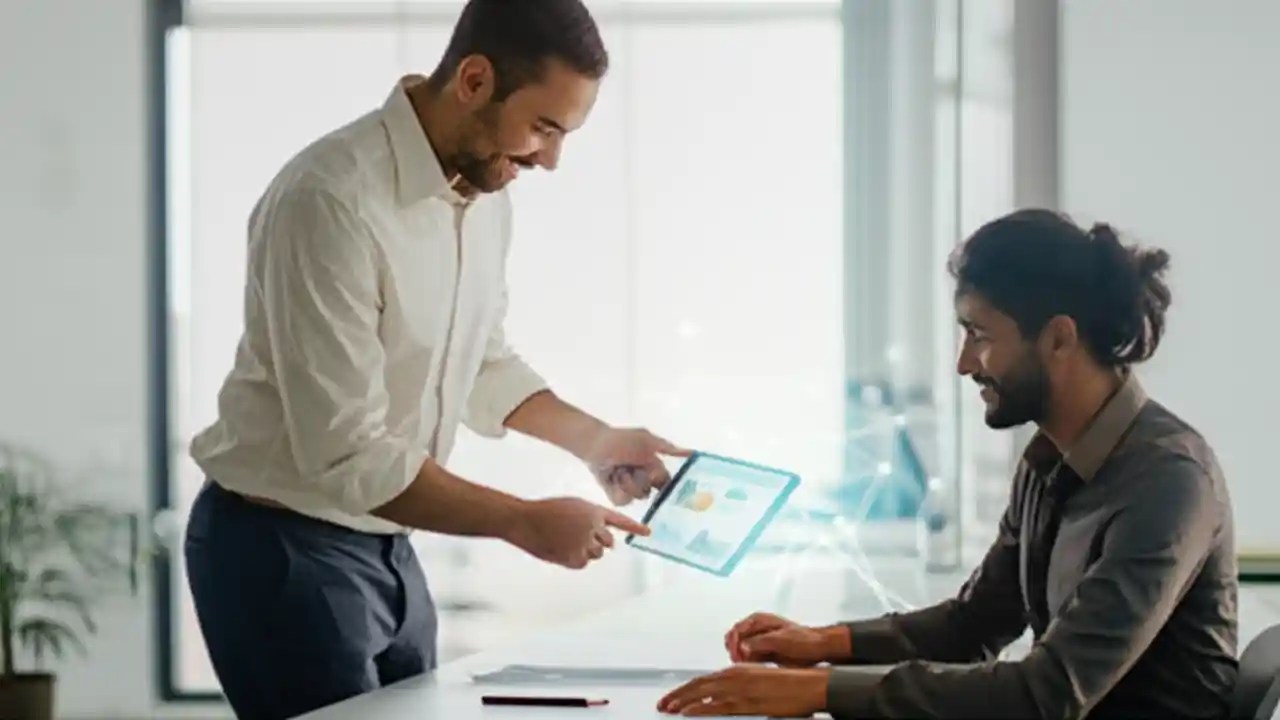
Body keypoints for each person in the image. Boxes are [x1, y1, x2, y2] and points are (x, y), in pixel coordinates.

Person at [183, 2, 689, 718]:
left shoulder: (482, 190)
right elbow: (346, 452)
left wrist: (596, 440)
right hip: (283, 549)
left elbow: (481, 358)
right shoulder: (329, 200)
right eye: (544, 127)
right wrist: (524, 521)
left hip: (389, 541)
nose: (549, 159)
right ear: (475, 81)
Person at [657, 209, 1238, 719]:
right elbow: (976, 623)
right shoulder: (1049, 462)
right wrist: (822, 643)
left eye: (979, 335)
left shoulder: (1168, 482)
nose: (964, 364)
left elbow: (1048, 694)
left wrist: (822, 690)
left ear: (1059, 339)